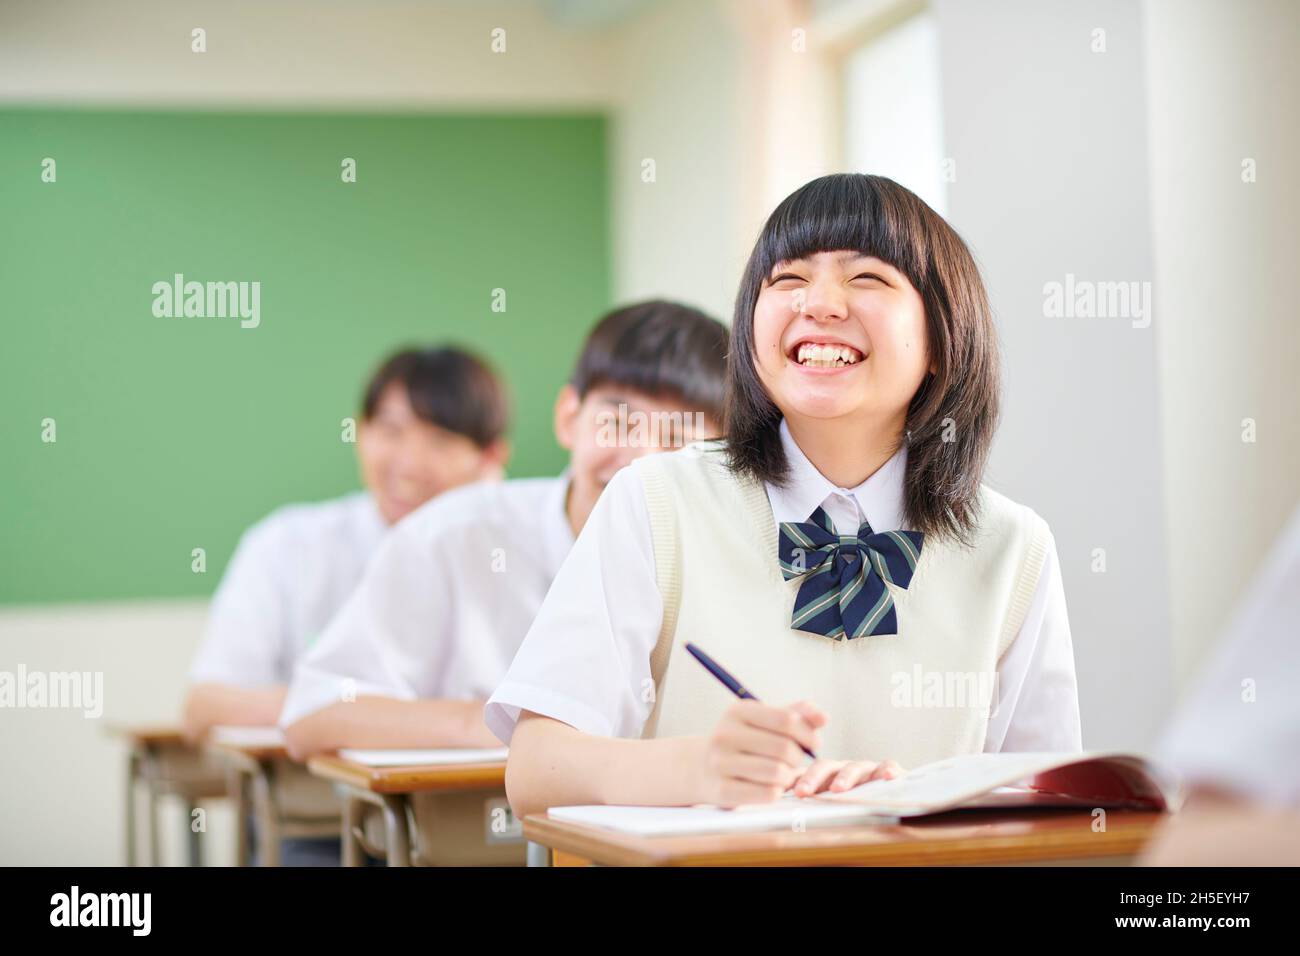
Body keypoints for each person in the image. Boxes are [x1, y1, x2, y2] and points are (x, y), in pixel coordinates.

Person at [488, 174, 1081, 818]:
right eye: (788, 279)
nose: (819, 303)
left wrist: (914, 794)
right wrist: (698, 767)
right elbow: (536, 768)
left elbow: (1047, 802)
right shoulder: (655, 500)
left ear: (942, 339)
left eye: (867, 278)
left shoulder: (1013, 546)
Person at [280, 301, 729, 758]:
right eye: (617, 422)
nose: (637, 459)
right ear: (568, 418)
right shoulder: (450, 535)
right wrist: (521, 724)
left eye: (676, 440)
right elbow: (313, 712)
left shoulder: (731, 562)